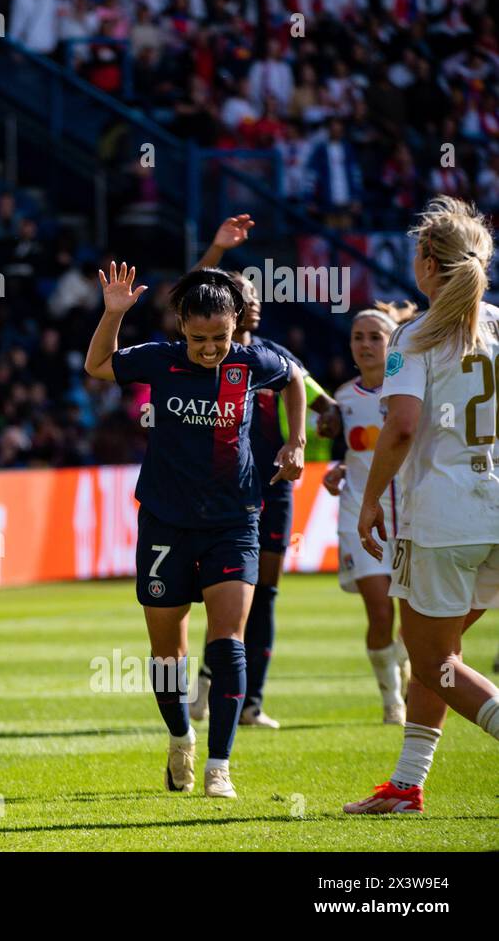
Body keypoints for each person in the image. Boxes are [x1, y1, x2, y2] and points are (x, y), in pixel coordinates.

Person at [85, 262, 306, 798]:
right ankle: (181, 736)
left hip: (234, 520)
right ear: (182, 325)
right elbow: (97, 366)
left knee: (228, 642)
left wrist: (294, 441)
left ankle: (219, 765)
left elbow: (296, 378)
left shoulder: (253, 362)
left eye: (221, 338)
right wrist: (114, 314)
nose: (211, 349)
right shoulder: (159, 361)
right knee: (168, 653)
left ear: (236, 327)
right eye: (201, 338)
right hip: (165, 520)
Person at [344, 197, 499, 814]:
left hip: (440, 517)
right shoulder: (496, 324)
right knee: (441, 656)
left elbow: (403, 426)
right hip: (493, 509)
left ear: (428, 265)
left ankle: (407, 785)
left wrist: (372, 498)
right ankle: (407, 785)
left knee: (432, 658)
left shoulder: (414, 334)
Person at [188, 214, 338, 728]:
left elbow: (324, 406)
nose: (251, 299)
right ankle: (211, 684)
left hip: (269, 489)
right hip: (218, 488)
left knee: (265, 593)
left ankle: (250, 702)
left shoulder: (276, 358)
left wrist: (313, 438)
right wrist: (216, 248)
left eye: (254, 294)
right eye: (239, 291)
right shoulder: (205, 353)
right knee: (215, 593)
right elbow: (191, 295)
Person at [322, 302, 418, 724]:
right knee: (380, 610)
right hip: (360, 514)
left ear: (392, 342)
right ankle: (392, 699)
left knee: (415, 617)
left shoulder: (414, 391)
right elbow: (350, 452)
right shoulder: (342, 398)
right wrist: (338, 468)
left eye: (374, 337)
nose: (365, 344)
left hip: (414, 514)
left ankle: (405, 658)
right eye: (357, 337)